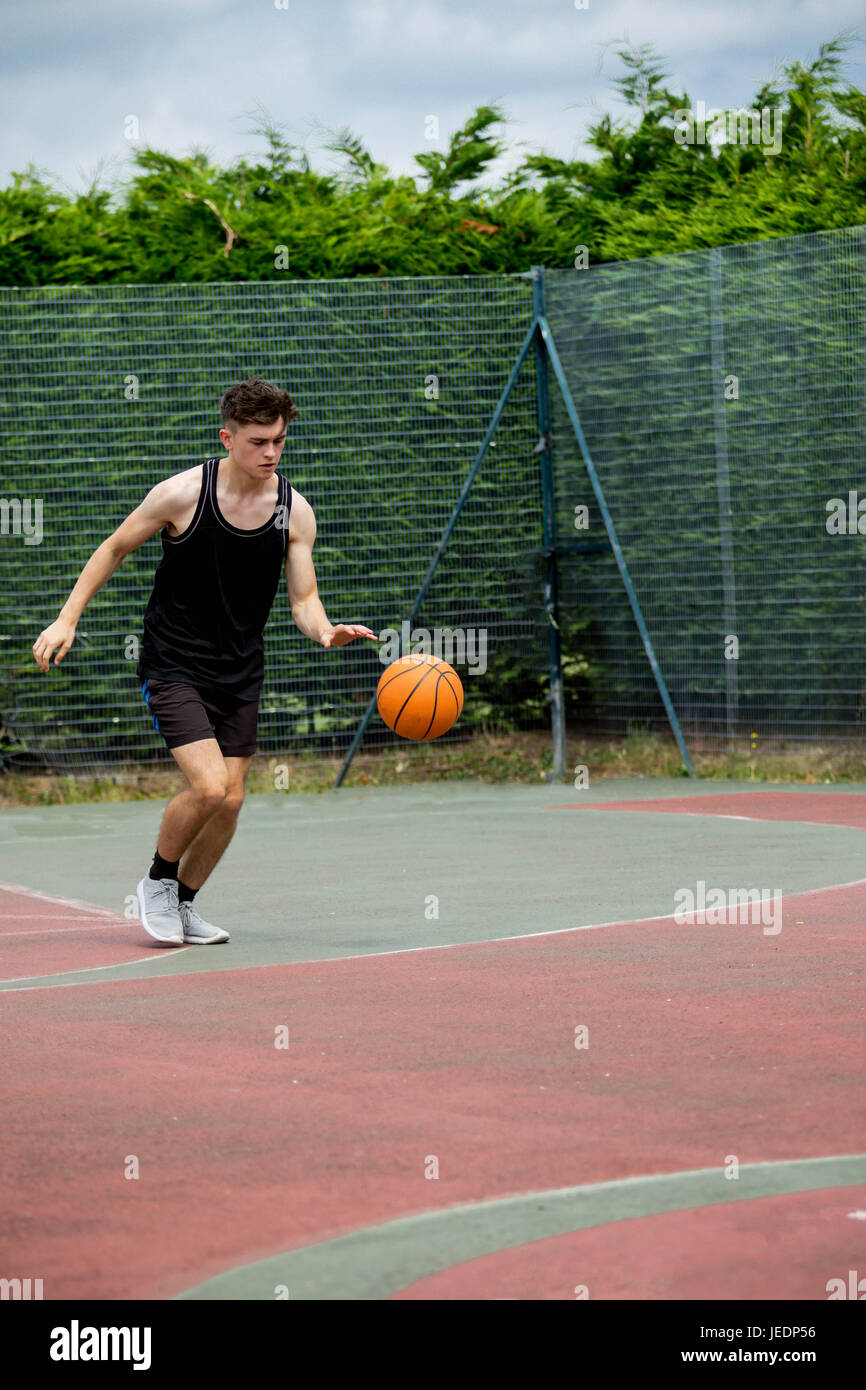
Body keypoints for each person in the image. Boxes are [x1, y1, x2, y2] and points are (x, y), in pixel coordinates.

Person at [32, 377, 376, 946]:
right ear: (227, 437)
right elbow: (114, 547)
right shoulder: (183, 495)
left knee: (233, 798)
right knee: (211, 786)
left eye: (280, 442)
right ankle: (157, 883)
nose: (271, 453)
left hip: (239, 667)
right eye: (258, 442)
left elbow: (303, 600)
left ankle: (184, 905)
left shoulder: (294, 511)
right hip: (174, 663)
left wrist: (325, 631)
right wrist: (67, 618)